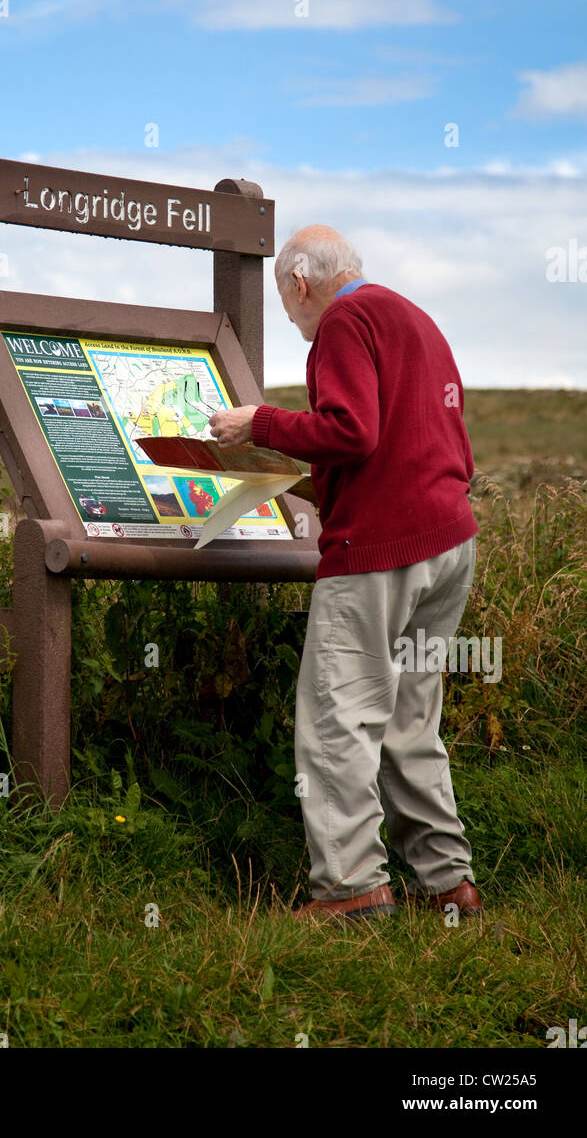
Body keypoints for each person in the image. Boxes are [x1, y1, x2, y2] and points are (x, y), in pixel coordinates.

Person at [209, 225, 481, 922]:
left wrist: (258, 425)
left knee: (338, 718)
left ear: (299, 284)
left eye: (287, 301)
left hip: (380, 553)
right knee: (411, 721)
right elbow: (429, 441)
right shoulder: (413, 318)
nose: (295, 320)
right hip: (447, 542)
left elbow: (351, 430)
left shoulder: (343, 320)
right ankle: (446, 880)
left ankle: (352, 886)